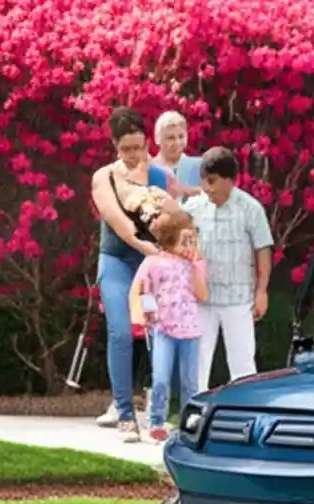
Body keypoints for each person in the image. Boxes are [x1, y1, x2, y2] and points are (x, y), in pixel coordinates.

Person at [90, 106, 190, 441]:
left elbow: (176, 220)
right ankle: (124, 413)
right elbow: (119, 224)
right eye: (126, 149)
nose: (134, 155)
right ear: (115, 146)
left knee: (157, 335)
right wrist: (141, 245)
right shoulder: (104, 177)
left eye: (139, 147)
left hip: (154, 267)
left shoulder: (160, 177)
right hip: (119, 262)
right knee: (120, 333)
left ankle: (158, 411)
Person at [182, 146, 274, 391]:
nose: (208, 189)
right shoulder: (192, 208)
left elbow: (263, 249)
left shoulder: (250, 208)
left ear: (229, 180)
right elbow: (178, 247)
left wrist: (261, 291)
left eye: (212, 182)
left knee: (242, 363)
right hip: (202, 297)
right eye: (204, 182)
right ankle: (193, 414)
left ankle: (244, 415)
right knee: (197, 362)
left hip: (238, 299)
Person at [133, 212, 208, 443]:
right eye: (184, 239)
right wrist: (148, 315)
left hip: (191, 330)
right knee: (161, 378)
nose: (189, 244)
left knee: (190, 383)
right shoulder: (154, 263)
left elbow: (202, 294)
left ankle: (189, 426)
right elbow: (145, 289)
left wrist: (196, 266)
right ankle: (157, 421)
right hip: (164, 329)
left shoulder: (195, 263)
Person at [153, 111, 203, 198]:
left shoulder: (200, 166)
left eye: (181, 136)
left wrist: (188, 191)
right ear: (157, 139)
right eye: (171, 138)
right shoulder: (148, 169)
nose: (177, 142)